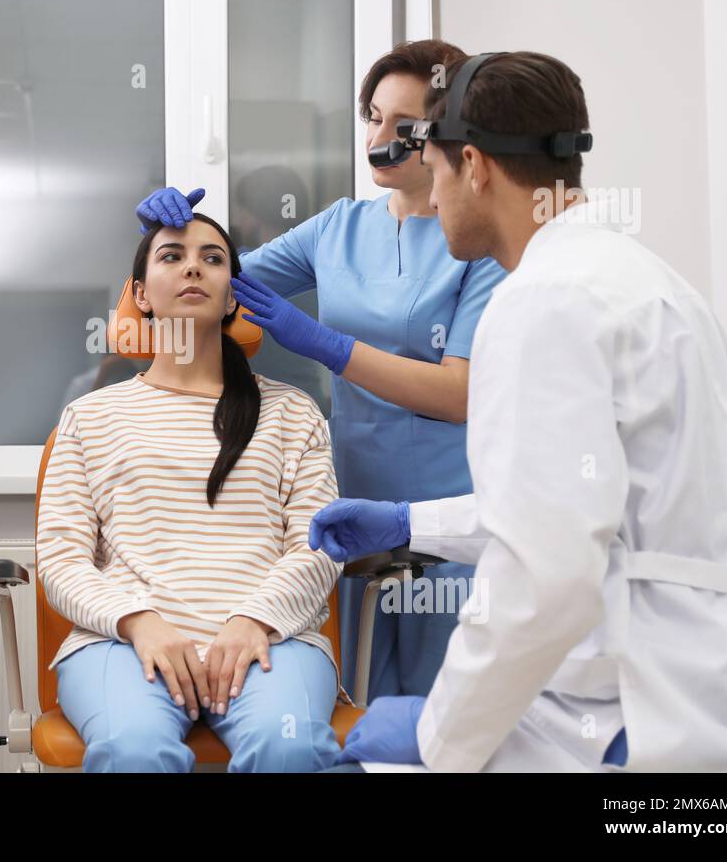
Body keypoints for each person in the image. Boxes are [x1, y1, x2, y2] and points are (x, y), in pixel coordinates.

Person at [314, 51, 727, 771]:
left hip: (640, 728)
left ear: (473, 166)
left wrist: (439, 734)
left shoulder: (541, 303)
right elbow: (578, 507)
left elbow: (545, 574)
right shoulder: (648, 283)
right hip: (720, 702)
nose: (433, 201)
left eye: (437, 174)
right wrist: (415, 524)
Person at [136, 40, 508, 704]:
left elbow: (459, 395)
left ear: (449, 134)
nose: (378, 138)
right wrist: (173, 243)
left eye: (402, 127)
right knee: (359, 713)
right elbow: (196, 295)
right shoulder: (337, 228)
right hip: (350, 519)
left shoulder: (477, 243)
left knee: (447, 724)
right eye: (371, 118)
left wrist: (326, 345)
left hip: (450, 525)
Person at [37, 212, 345, 772]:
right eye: (172, 256)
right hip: (127, 645)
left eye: (212, 258)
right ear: (140, 295)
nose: (193, 269)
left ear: (232, 298)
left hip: (269, 641)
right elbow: (61, 560)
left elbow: (317, 546)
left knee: (290, 746)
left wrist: (254, 620)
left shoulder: (291, 413)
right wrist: (140, 621)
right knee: (135, 749)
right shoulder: (91, 417)